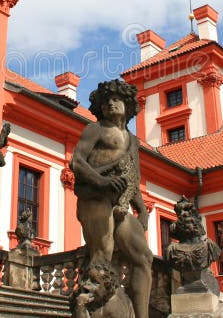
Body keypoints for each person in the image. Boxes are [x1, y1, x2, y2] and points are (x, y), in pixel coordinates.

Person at [71, 80, 152, 318]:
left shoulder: (133, 141)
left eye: (116, 99)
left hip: (120, 205)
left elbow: (132, 177)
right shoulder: (95, 130)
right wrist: (101, 181)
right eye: (106, 101)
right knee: (102, 256)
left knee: (143, 258)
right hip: (94, 198)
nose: (110, 104)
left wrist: (142, 209)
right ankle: (92, 311)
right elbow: (76, 161)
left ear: (127, 105)